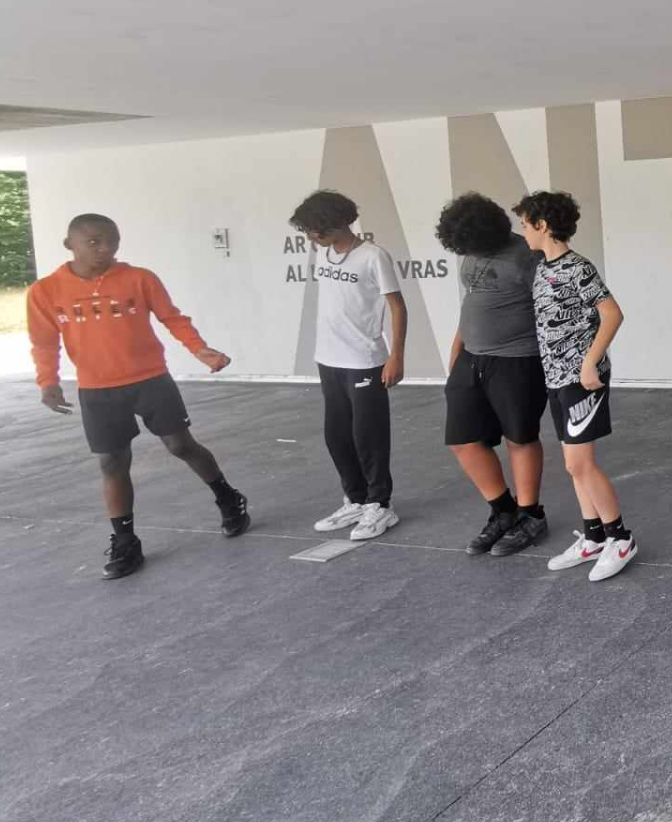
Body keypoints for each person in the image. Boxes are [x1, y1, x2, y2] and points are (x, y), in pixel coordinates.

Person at [27, 213, 251, 580]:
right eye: (94, 242)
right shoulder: (45, 291)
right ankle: (126, 540)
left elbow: (173, 319)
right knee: (112, 463)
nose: (105, 249)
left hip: (151, 381)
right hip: (97, 390)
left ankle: (228, 497)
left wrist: (200, 350)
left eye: (112, 241)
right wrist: (47, 382)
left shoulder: (139, 279)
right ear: (70, 245)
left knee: (180, 445)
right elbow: (43, 341)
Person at [513, 191, 637, 581]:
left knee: (578, 464)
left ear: (542, 225)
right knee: (573, 466)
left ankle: (621, 538)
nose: (522, 231)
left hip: (581, 379)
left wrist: (589, 362)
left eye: (525, 223)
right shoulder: (542, 267)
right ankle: (593, 537)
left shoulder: (576, 267)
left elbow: (613, 314)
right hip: (556, 377)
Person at [435, 192, 550, 556]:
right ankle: (503, 511)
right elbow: (472, 301)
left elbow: (553, 313)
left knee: (520, 438)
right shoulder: (472, 250)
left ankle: (530, 515)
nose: (468, 251)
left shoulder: (528, 257)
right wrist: (457, 348)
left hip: (518, 359)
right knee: (462, 439)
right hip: (472, 356)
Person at [289, 190, 407, 540]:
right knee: (336, 435)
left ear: (338, 224)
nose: (311, 236)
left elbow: (397, 307)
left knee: (367, 434)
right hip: (328, 358)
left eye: (315, 229)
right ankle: (355, 499)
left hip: (364, 359)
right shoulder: (324, 252)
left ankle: (379, 505)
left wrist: (396, 355)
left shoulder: (373, 257)